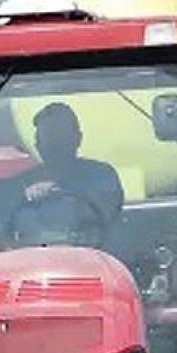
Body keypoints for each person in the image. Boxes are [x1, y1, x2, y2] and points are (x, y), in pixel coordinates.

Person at [14, 102, 125, 246]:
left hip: (91, 258)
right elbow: (3, 227)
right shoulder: (22, 182)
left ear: (78, 139)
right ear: (37, 145)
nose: (53, 143)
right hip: (35, 262)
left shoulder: (101, 176)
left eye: (59, 136)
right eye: (47, 138)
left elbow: (105, 209)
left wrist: (55, 189)